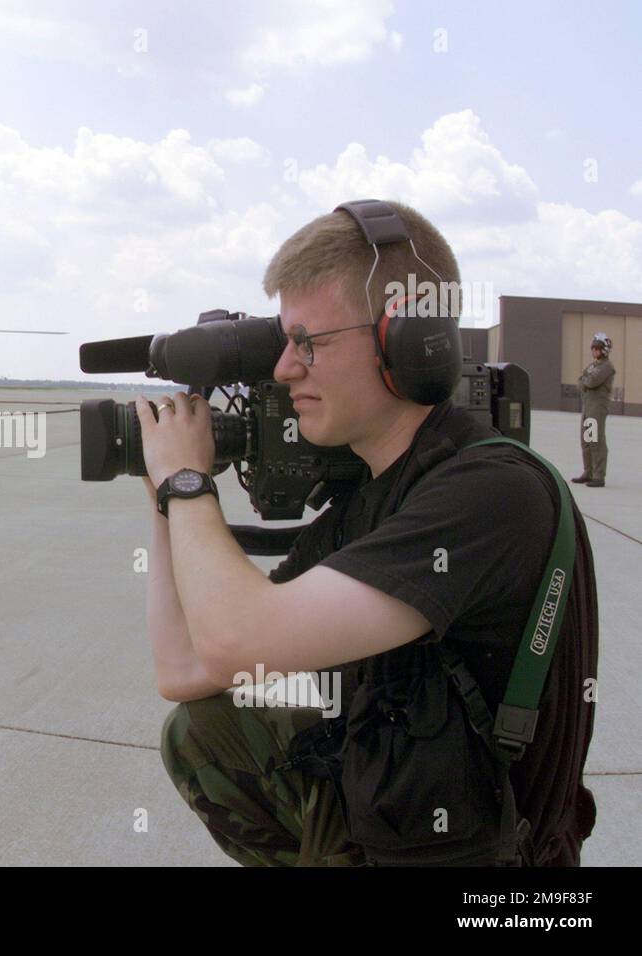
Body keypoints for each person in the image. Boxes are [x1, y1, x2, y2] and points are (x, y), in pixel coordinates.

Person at [140, 200, 598, 866]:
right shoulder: (376, 495)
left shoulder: (491, 494)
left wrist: (189, 486)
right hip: (401, 819)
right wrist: (163, 498)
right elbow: (186, 668)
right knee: (204, 732)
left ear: (408, 340)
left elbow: (236, 642)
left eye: (309, 343)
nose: (283, 370)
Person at [572, 333, 615, 487]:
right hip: (587, 406)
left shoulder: (606, 367)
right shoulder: (593, 366)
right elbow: (580, 381)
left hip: (597, 408)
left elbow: (591, 381)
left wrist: (585, 380)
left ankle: (598, 476)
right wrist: (584, 380)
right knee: (586, 441)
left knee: (595, 441)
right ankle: (588, 472)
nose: (595, 351)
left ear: (604, 350)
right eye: (594, 348)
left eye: (598, 348)